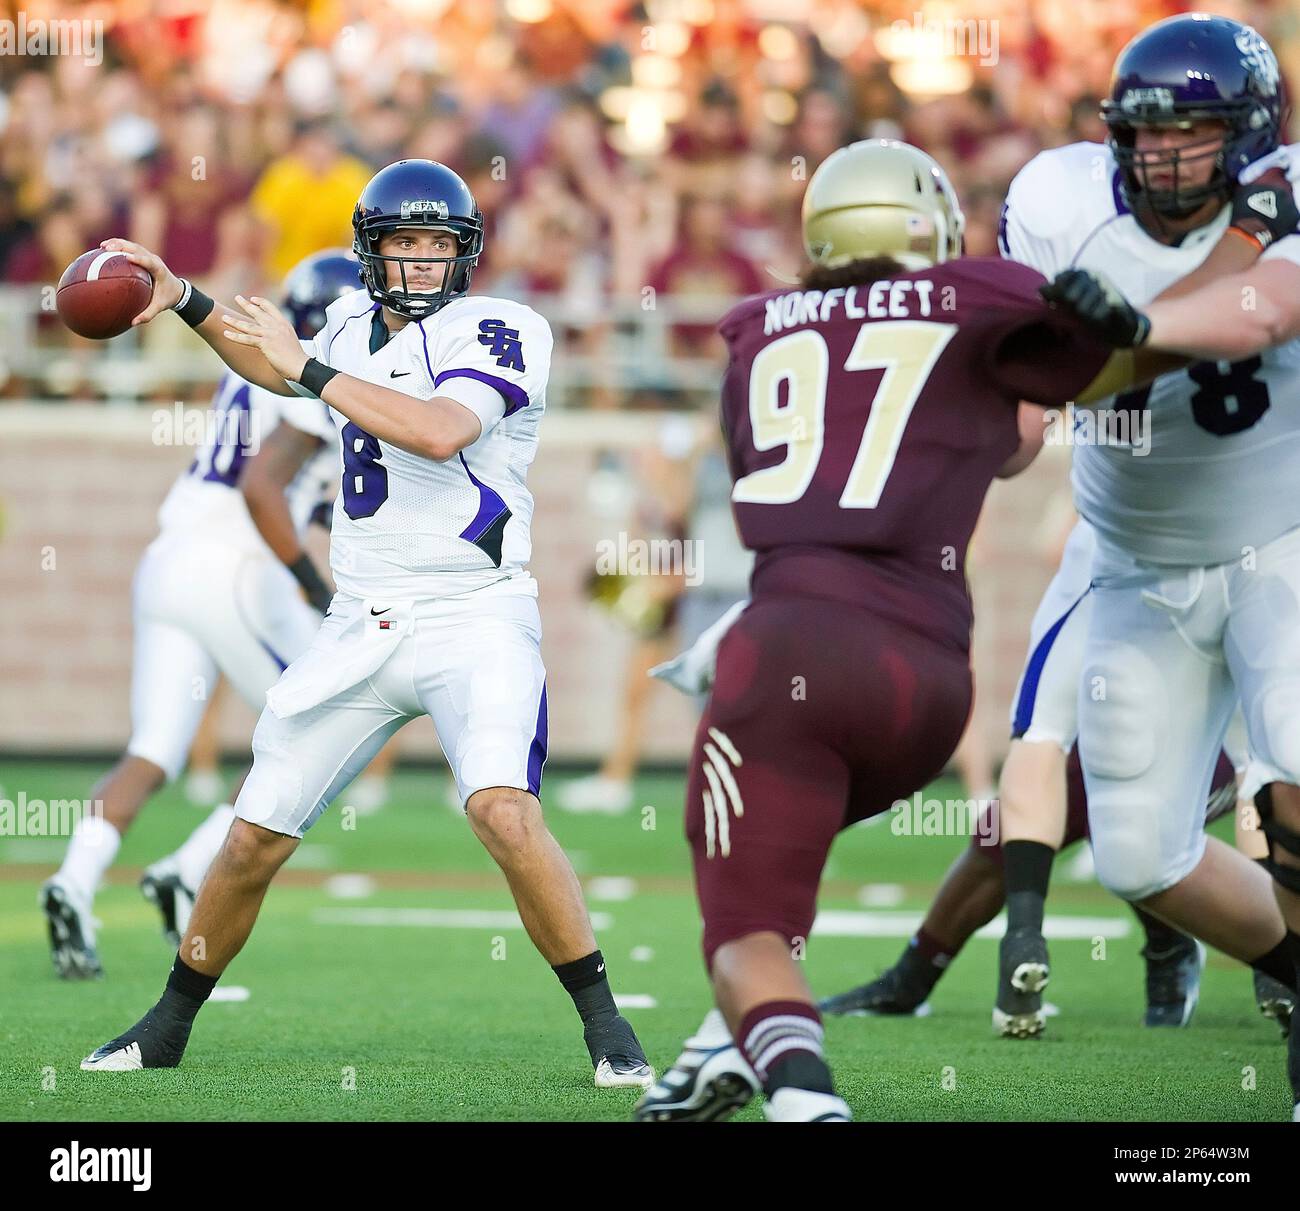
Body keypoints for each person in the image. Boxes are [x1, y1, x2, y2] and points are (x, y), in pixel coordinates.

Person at [634, 129, 1300, 1123]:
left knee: (746, 904)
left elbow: (915, 440)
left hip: (787, 646)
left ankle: (797, 1089)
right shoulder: (975, 294)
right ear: (933, 227)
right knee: (806, 841)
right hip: (928, 683)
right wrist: (1244, 239)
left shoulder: (749, 327)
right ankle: (721, 1039)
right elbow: (1119, 353)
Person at [79, 159, 652, 1089]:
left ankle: (608, 1025)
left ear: (465, 255)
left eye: (438, 247)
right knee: (252, 835)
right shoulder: (346, 323)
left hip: (474, 612)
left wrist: (309, 366)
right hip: (361, 616)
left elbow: (437, 430)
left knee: (503, 810)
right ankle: (166, 1024)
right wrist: (184, 297)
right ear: (369, 253)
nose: (421, 264)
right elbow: (270, 366)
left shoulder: (504, 326)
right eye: (403, 246)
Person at [1000, 14, 1300, 1118]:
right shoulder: (1066, 215)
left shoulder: (1286, 197)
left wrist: (1125, 331)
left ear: (1251, 133)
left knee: (1293, 770)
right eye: (1146, 134)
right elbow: (1021, 427)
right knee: (1137, 856)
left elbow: (1259, 310)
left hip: (1283, 535)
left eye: (1194, 134)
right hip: (1136, 563)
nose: (1165, 156)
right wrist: (971, 409)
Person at [39, 251, 356, 977]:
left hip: (169, 556)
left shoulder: (247, 365)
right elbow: (265, 490)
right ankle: (187, 866)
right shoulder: (303, 376)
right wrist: (314, 584)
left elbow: (302, 491)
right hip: (237, 570)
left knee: (152, 748)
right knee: (318, 730)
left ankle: (75, 881)